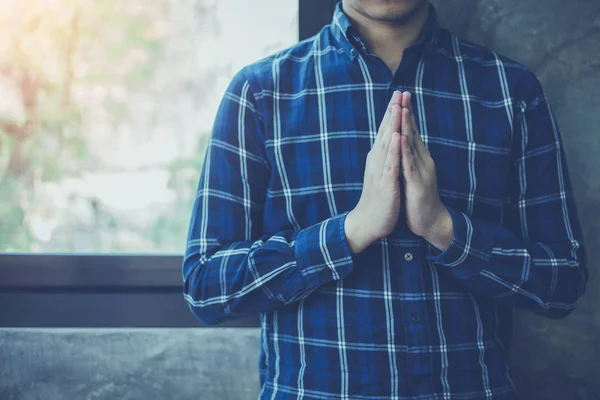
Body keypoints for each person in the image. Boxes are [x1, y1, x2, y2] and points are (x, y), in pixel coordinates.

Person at [182, 0, 588, 398]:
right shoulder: (260, 92)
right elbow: (207, 286)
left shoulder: (510, 90)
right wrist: (349, 231)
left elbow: (563, 280)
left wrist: (444, 229)